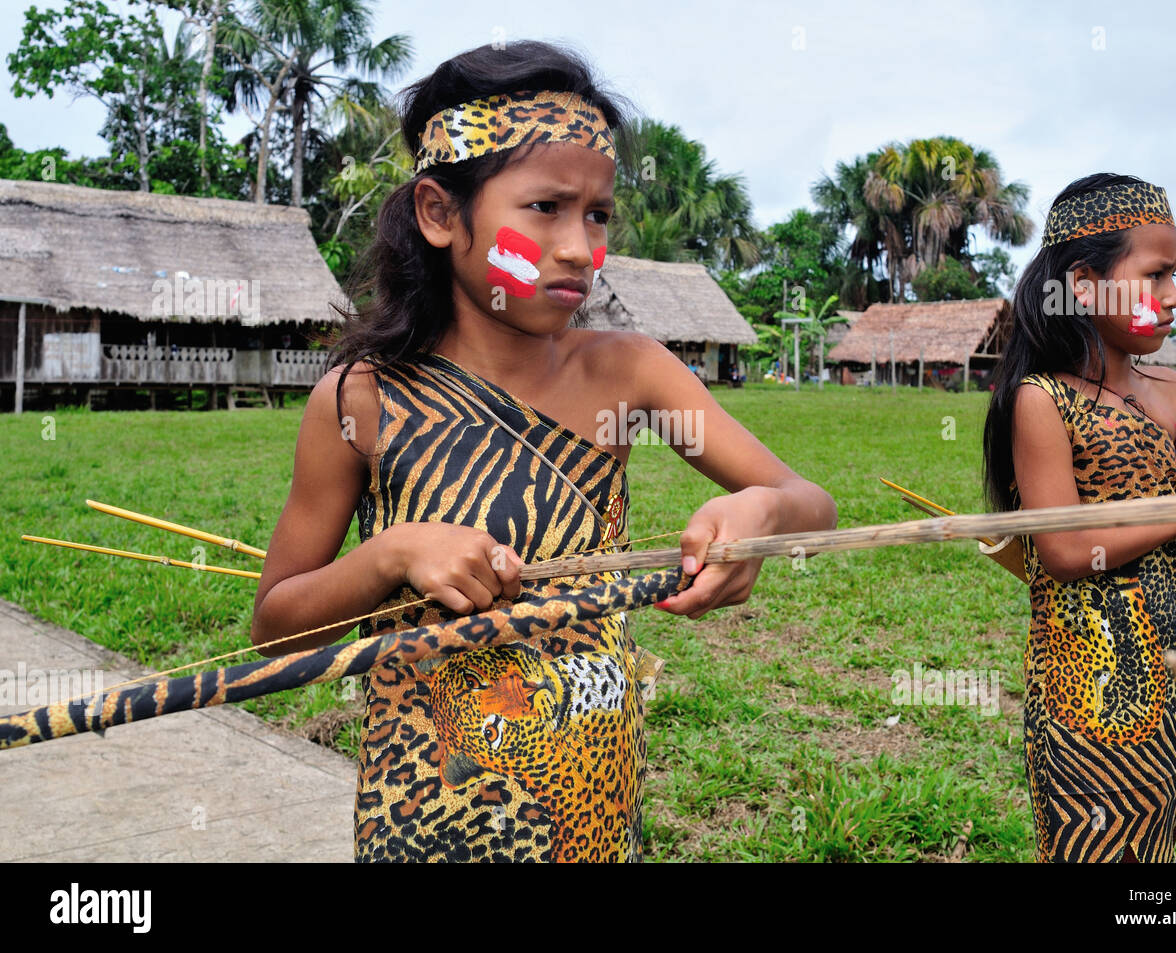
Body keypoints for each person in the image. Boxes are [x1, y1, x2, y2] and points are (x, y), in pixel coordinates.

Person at [248, 40, 835, 863]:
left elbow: (811, 504)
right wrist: (391, 553)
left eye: (597, 215)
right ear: (440, 214)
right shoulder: (361, 400)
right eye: (545, 208)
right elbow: (276, 629)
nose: (578, 248)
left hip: (590, 799)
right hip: (426, 810)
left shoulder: (628, 372)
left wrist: (763, 511)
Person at [981, 172, 1176, 863]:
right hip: (1088, 701)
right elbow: (1065, 551)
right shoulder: (1043, 399)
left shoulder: (1175, 390)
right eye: (1155, 275)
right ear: (1086, 285)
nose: (1174, 297)